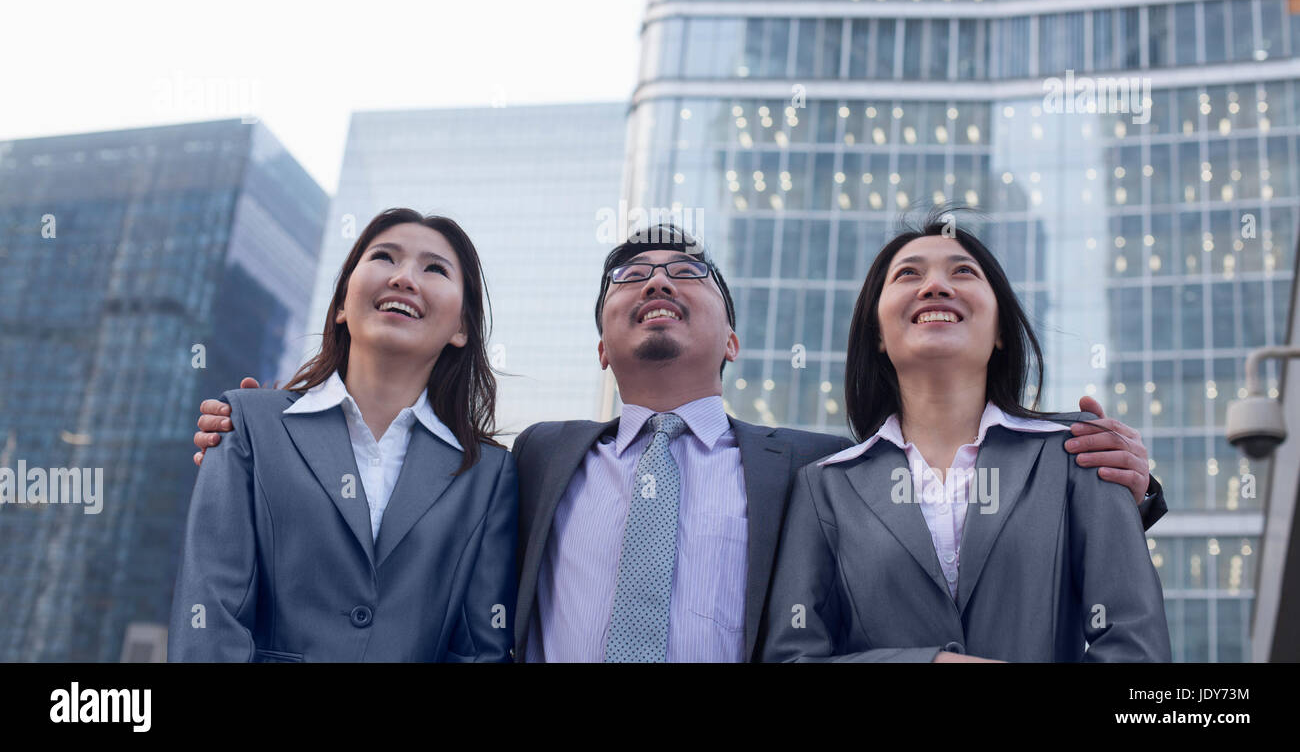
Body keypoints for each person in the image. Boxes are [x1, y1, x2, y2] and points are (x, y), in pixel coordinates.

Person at [195, 223, 1165, 662]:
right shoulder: (523, 459)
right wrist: (270, 426)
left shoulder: (821, 468)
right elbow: (394, 470)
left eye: (686, 273)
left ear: (731, 340)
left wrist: (1131, 481)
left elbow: (946, 473)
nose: (657, 280)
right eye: (632, 276)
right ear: (603, 341)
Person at [760, 210, 1172, 662]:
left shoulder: (1079, 452)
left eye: (963, 272)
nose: (935, 286)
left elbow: (1136, 646)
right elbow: (790, 656)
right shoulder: (824, 487)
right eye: (908, 274)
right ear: (877, 333)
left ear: (999, 330)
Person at [170, 208, 516, 662]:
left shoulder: (488, 474)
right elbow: (208, 619)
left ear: (461, 329)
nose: (405, 278)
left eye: (434, 268)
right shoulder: (249, 424)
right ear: (340, 306)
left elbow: (479, 652)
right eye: (384, 257)